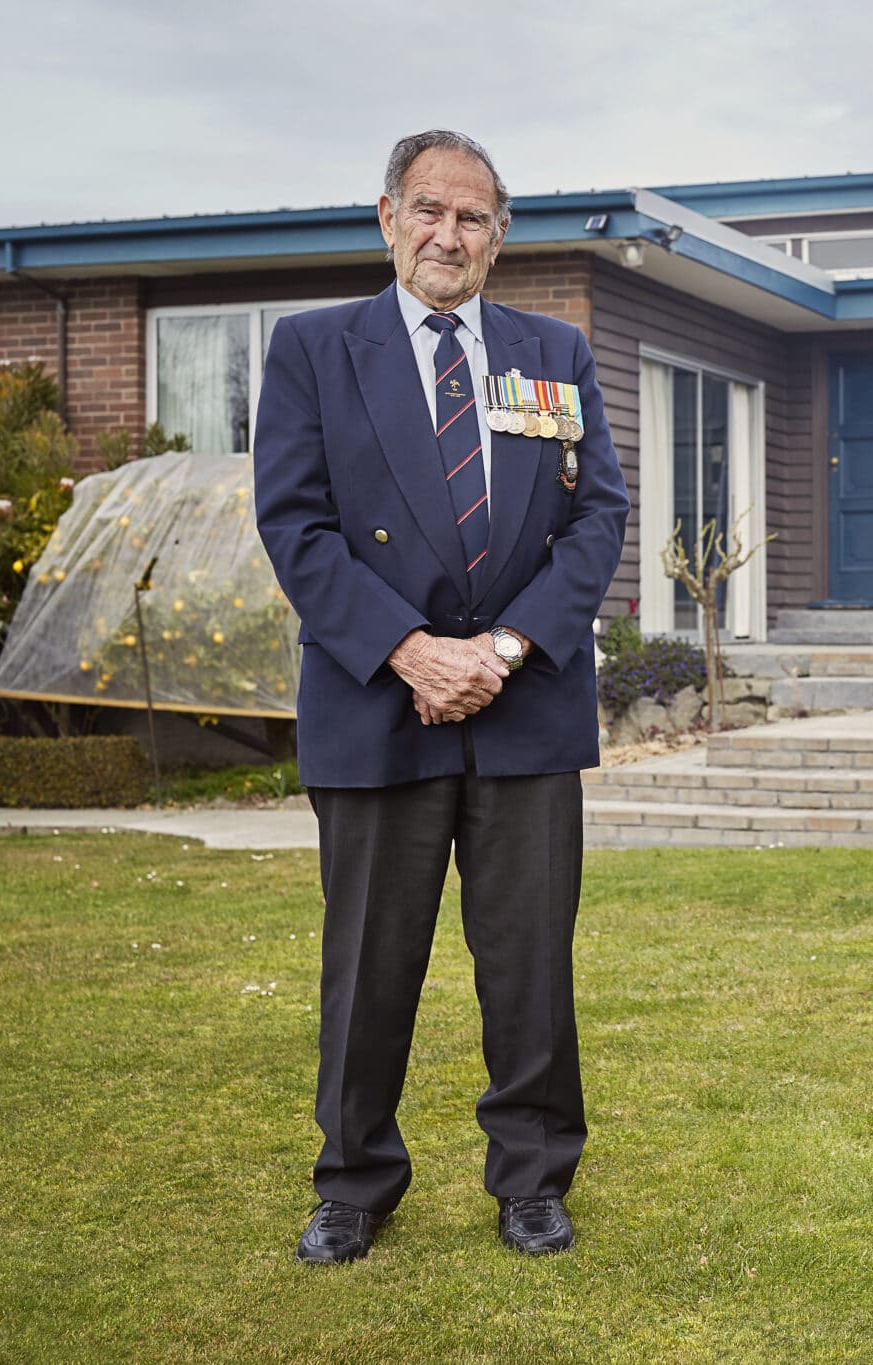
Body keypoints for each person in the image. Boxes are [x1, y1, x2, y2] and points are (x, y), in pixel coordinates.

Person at [253, 129, 630, 1262]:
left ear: (499, 237)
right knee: (369, 964)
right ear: (386, 218)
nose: (447, 235)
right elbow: (296, 525)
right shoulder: (315, 349)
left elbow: (596, 516)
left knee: (528, 966)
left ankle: (531, 1181)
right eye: (428, 211)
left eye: (471, 218)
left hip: (525, 708)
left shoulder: (552, 351)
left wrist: (504, 649)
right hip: (376, 706)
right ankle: (353, 1184)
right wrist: (409, 651)